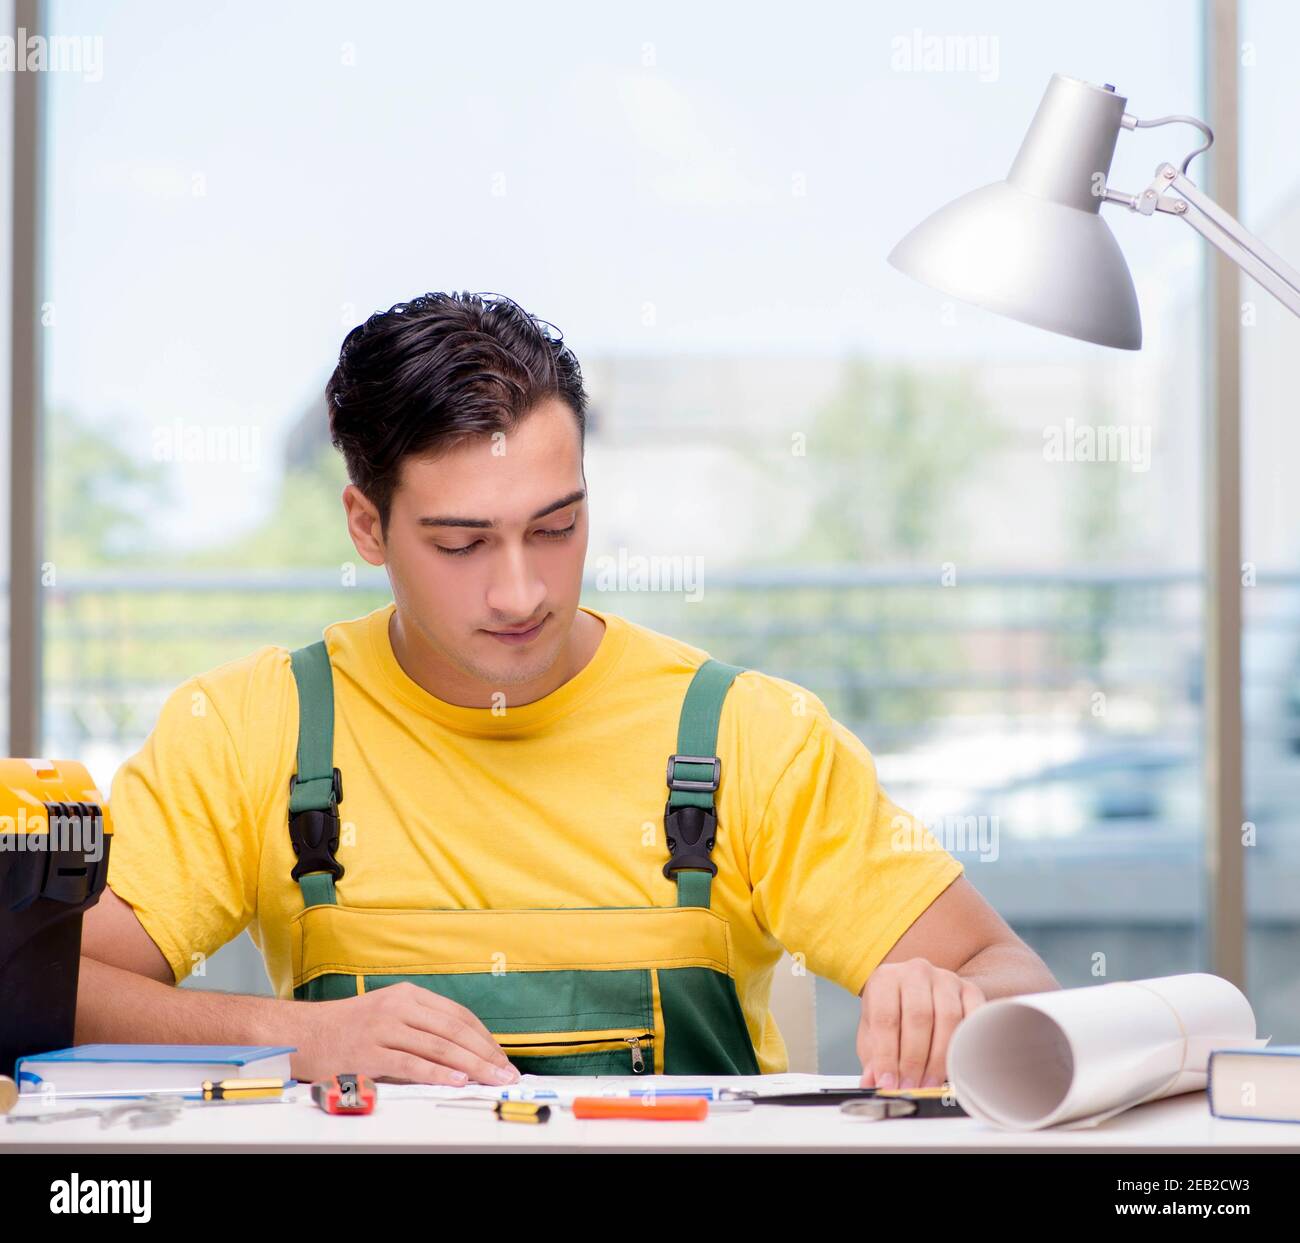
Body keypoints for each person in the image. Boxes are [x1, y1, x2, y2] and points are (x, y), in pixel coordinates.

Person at [80, 291, 1058, 1089]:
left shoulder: (745, 736)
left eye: (555, 528)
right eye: (462, 544)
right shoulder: (261, 728)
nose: (521, 592)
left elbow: (1008, 976)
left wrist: (951, 1004)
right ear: (366, 528)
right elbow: (50, 989)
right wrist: (301, 1039)